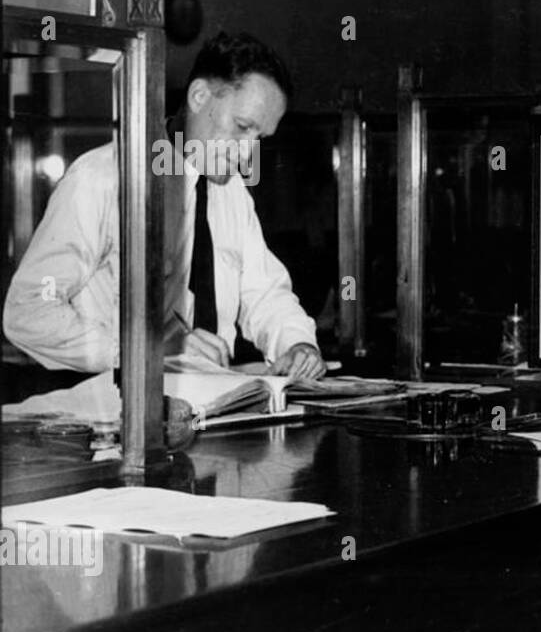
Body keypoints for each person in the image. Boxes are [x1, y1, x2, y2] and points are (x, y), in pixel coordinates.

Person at [4, 31, 325, 380]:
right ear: (199, 96)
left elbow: (264, 292)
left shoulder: (230, 190)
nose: (248, 152)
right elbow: (28, 311)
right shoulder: (104, 177)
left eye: (259, 138)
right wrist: (142, 350)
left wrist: (296, 345)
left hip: (205, 406)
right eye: (241, 127)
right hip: (111, 406)